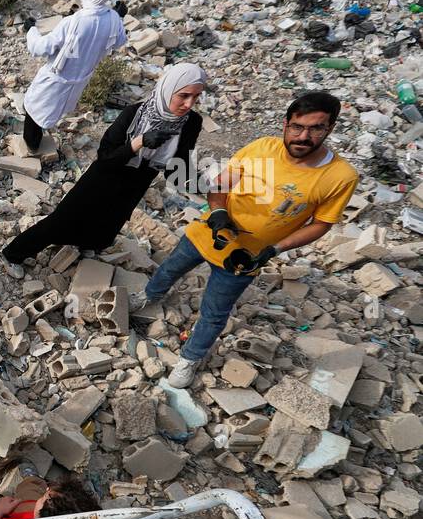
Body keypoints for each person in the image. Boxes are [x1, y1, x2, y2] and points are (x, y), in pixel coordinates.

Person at [131, 91, 359, 389]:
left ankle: (190, 358)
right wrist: (218, 212)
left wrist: (274, 250)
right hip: (207, 233)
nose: (304, 136)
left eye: (316, 128)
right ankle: (150, 295)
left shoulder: (340, 176)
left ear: (329, 128)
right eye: (297, 127)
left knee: (214, 312)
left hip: (246, 256)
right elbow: (220, 185)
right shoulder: (262, 147)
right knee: (170, 268)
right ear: (285, 124)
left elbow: (321, 224)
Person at [3, 62, 207, 275]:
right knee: (61, 221)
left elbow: (177, 167)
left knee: (107, 226)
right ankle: (12, 254)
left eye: (196, 97)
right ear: (168, 89)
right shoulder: (134, 114)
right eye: (183, 95)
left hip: (133, 187)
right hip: (104, 178)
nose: (189, 104)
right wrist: (138, 143)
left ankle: (84, 246)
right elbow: (105, 158)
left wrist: (208, 185)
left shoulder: (191, 123)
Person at [21, 0, 128, 152]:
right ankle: (38, 138)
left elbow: (40, 48)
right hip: (80, 80)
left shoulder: (73, 22)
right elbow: (119, 41)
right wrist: (118, 17)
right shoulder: (112, 20)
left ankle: (32, 146)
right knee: (54, 109)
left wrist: (31, 30)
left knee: (33, 108)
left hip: (56, 78)